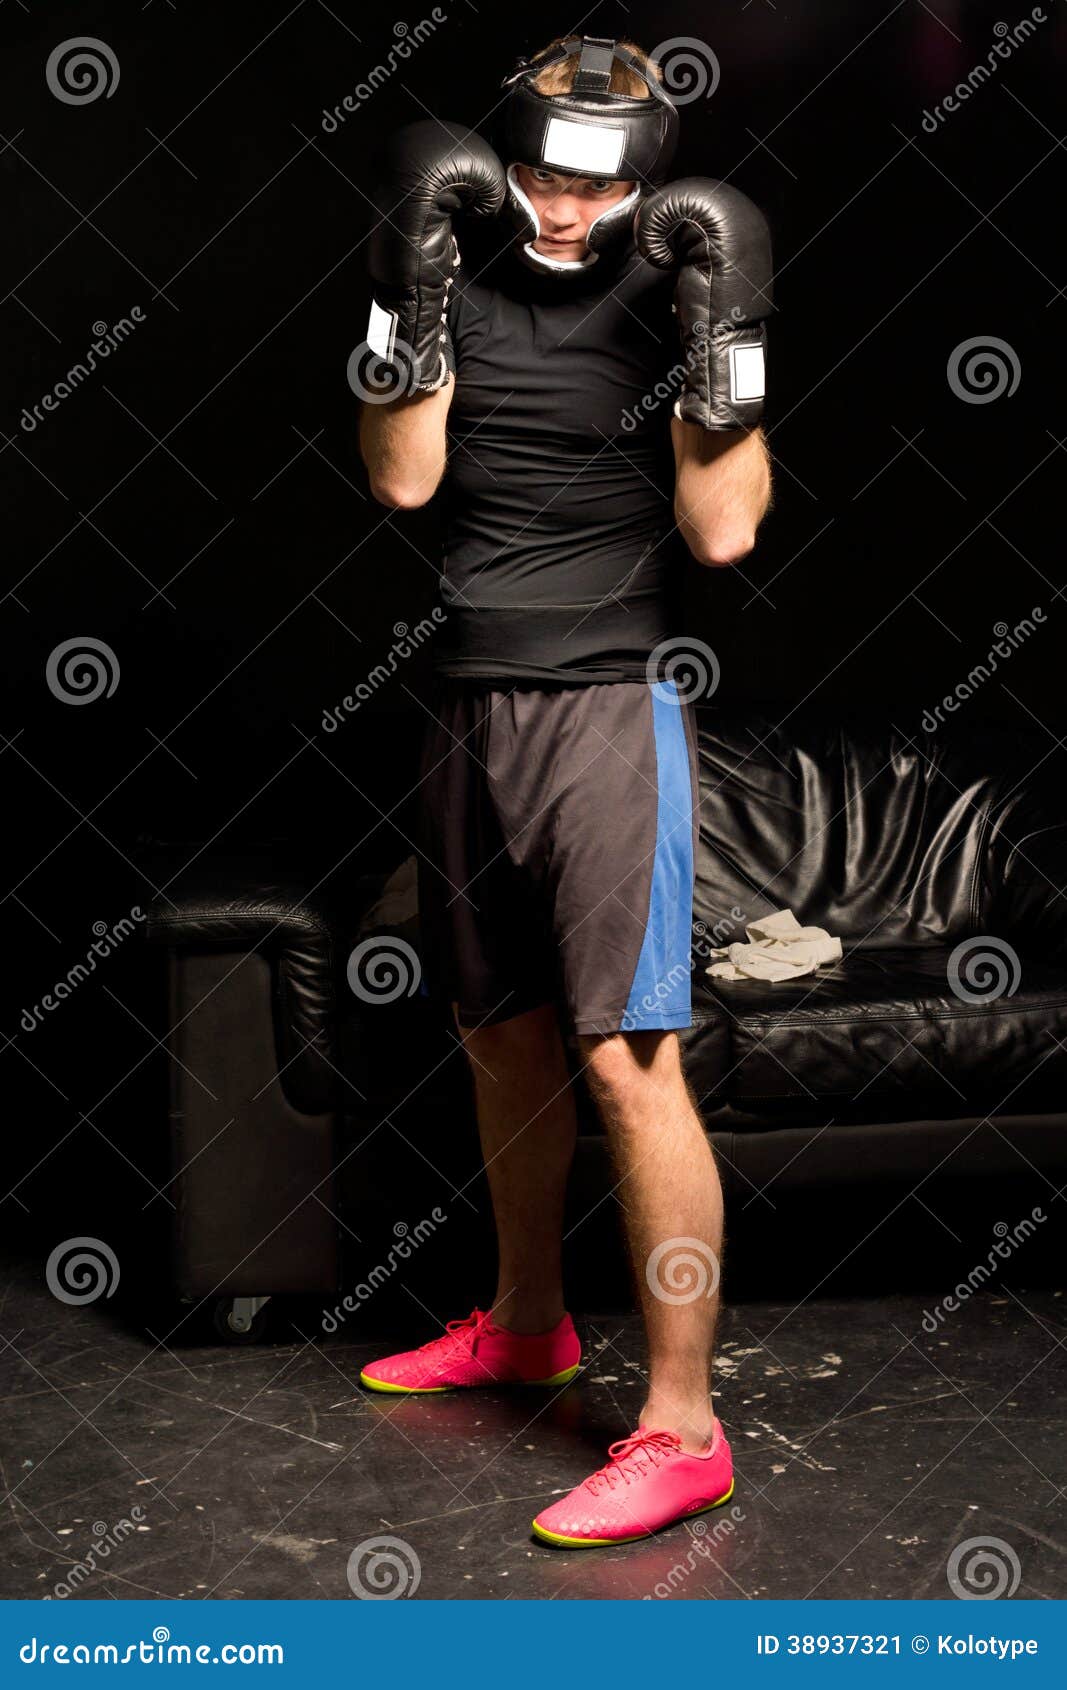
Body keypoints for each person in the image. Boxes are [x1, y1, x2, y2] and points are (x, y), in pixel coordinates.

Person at [356, 34, 773, 1548]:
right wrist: (408, 293)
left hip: (611, 710)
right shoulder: (449, 272)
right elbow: (403, 478)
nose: (561, 208)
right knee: (500, 1035)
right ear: (506, 158)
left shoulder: (675, 293)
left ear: (644, 188)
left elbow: (723, 532)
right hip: (465, 699)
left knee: (627, 1060)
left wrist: (728, 337)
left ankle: (683, 1429)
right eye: (539, 172)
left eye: (594, 186)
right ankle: (527, 1322)